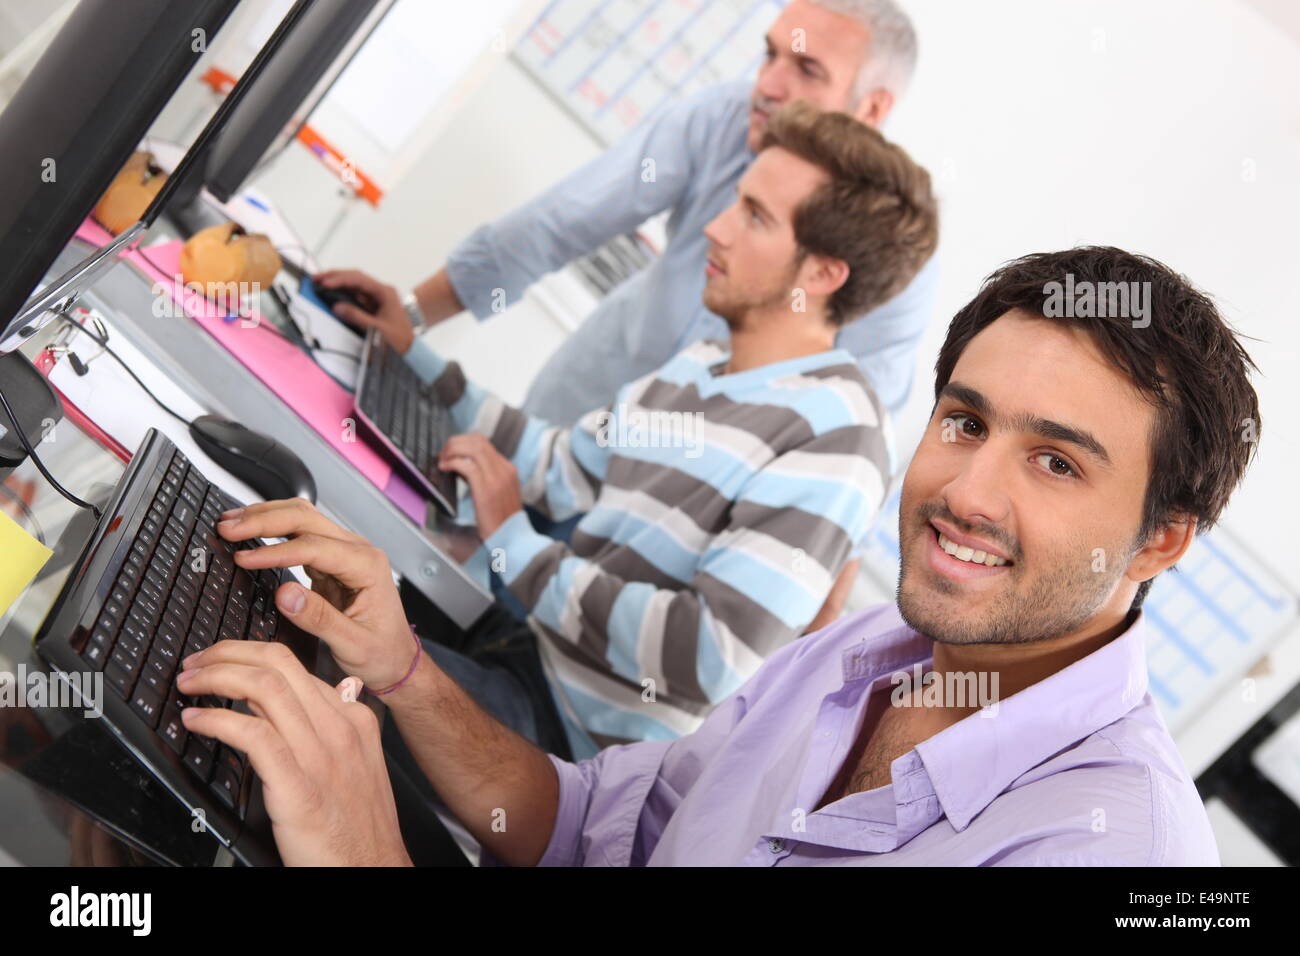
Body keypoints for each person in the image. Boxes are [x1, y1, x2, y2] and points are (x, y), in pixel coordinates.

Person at [178, 245, 1260, 866]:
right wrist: (404, 665)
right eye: (966, 422)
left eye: (1057, 464)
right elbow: (586, 825)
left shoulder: (1111, 849)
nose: (967, 492)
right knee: (184, 745)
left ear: (1160, 539)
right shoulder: (858, 656)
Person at [390, 101, 936, 759]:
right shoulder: (699, 367)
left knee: (327, 692)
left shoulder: (839, 439)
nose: (715, 228)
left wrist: (515, 545)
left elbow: (707, 653)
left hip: (569, 743)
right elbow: (561, 469)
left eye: (755, 217)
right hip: (516, 641)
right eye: (736, 202)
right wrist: (417, 357)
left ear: (822, 275)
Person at [316, 0, 937, 425]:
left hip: (690, 486)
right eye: (769, 55)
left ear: (872, 109)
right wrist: (414, 317)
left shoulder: (895, 252)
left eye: (805, 69)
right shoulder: (723, 117)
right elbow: (562, 221)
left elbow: (855, 425)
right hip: (592, 394)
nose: (768, 86)